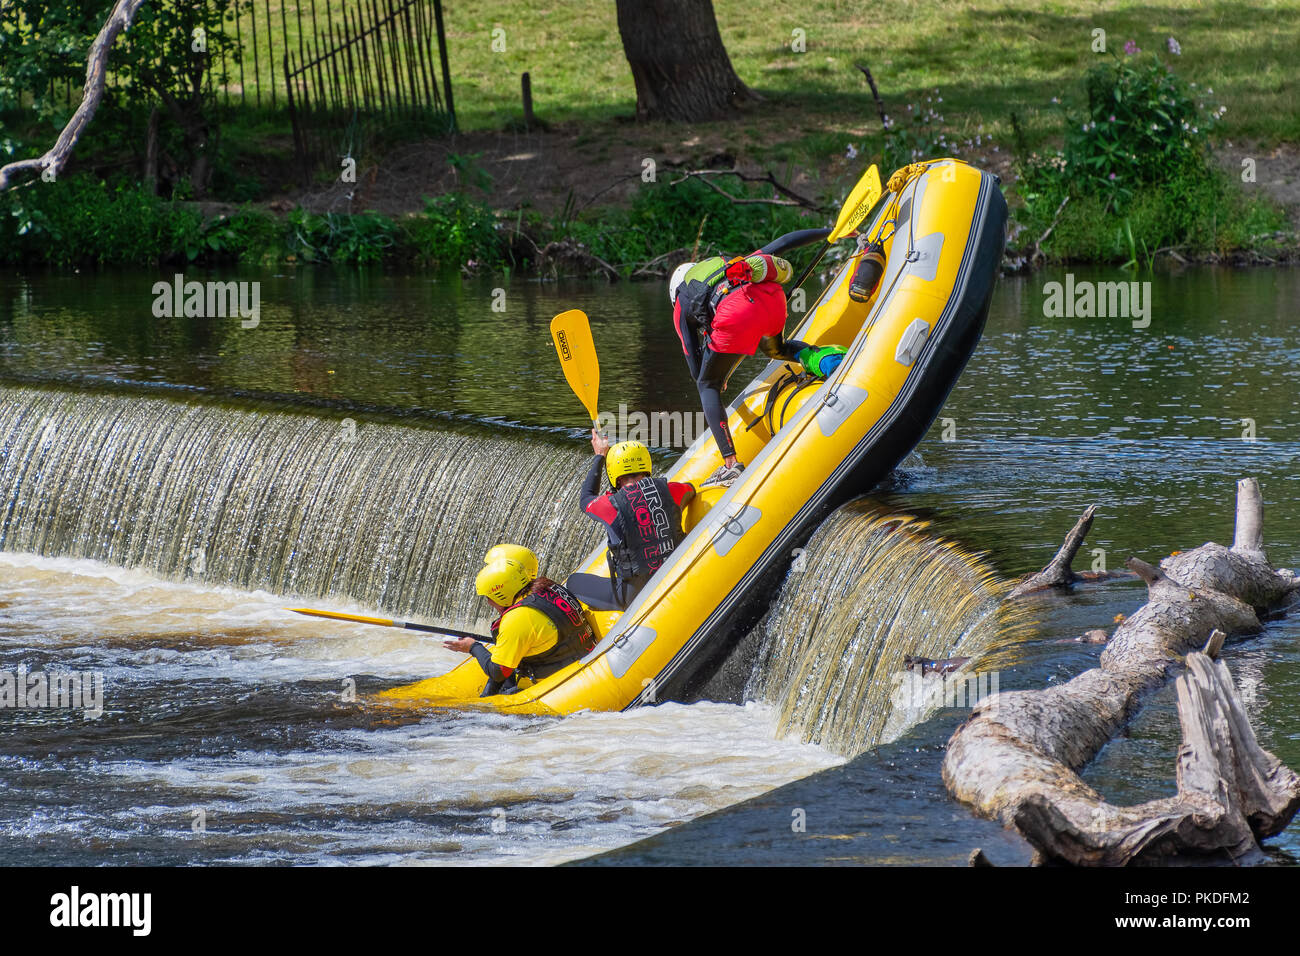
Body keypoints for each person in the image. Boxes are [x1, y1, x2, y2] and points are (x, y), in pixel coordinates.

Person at [669, 252, 816, 484]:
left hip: (736, 315)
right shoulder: (721, 268)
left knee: (706, 386)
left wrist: (716, 377)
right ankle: (819, 359)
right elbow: (782, 244)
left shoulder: (682, 303)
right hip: (771, 299)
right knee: (778, 349)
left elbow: (696, 369)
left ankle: (730, 464)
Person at [565, 435, 695, 612]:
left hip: (634, 594)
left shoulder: (608, 505)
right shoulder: (672, 490)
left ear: (614, 476)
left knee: (573, 581)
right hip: (681, 572)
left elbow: (586, 498)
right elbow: (691, 489)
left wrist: (599, 456)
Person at [442, 550, 594, 696]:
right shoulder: (549, 587)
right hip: (579, 658)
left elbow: (498, 672)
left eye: (488, 597)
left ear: (501, 594)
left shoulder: (517, 619)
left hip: (555, 683)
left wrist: (473, 647)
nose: (488, 602)